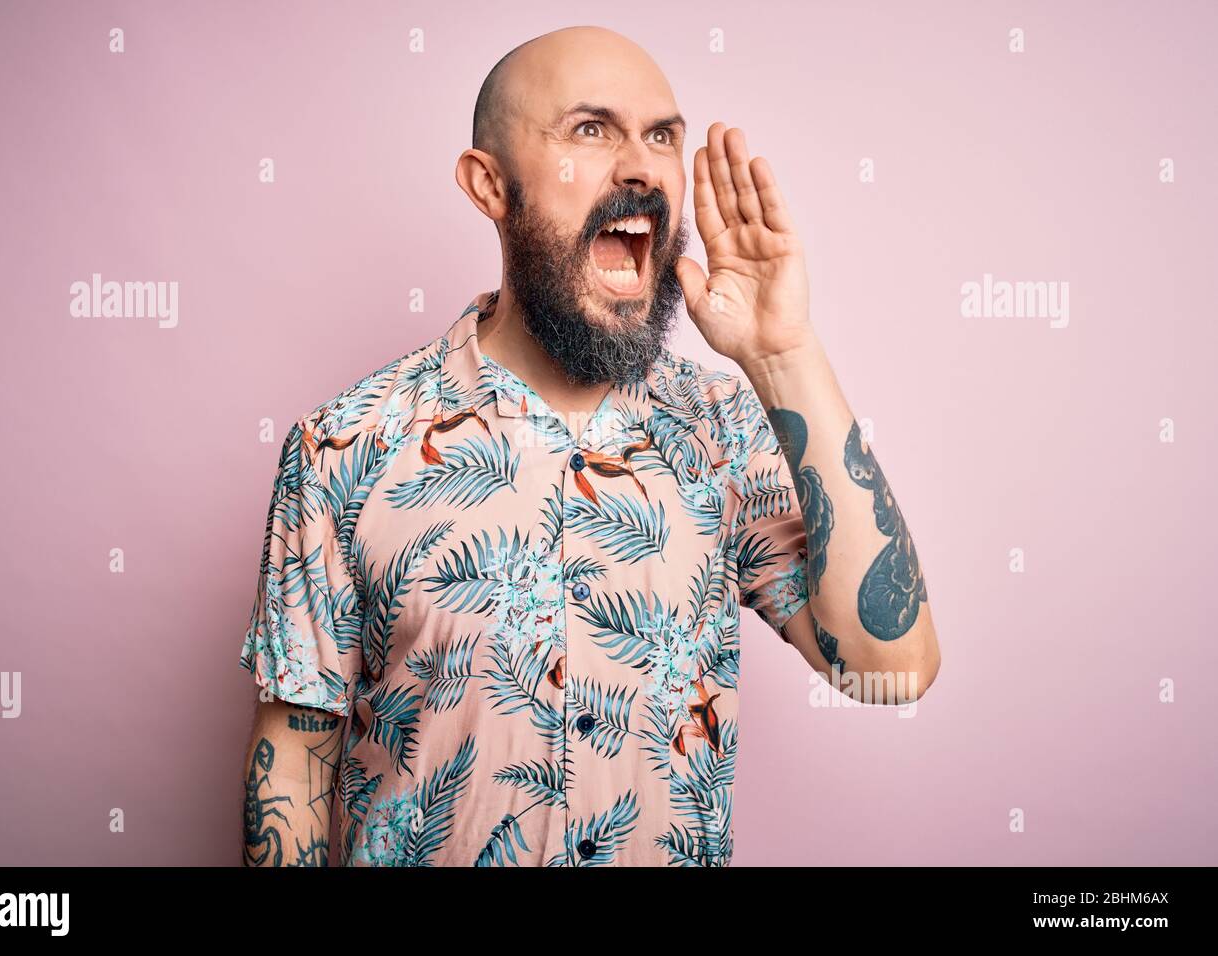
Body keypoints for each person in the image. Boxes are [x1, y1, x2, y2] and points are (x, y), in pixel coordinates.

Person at [237, 25, 940, 868]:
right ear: (489, 185)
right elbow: (296, 763)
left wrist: (781, 353)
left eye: (662, 136)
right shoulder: (342, 448)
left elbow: (893, 665)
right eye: (592, 130)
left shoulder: (722, 427)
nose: (641, 166)